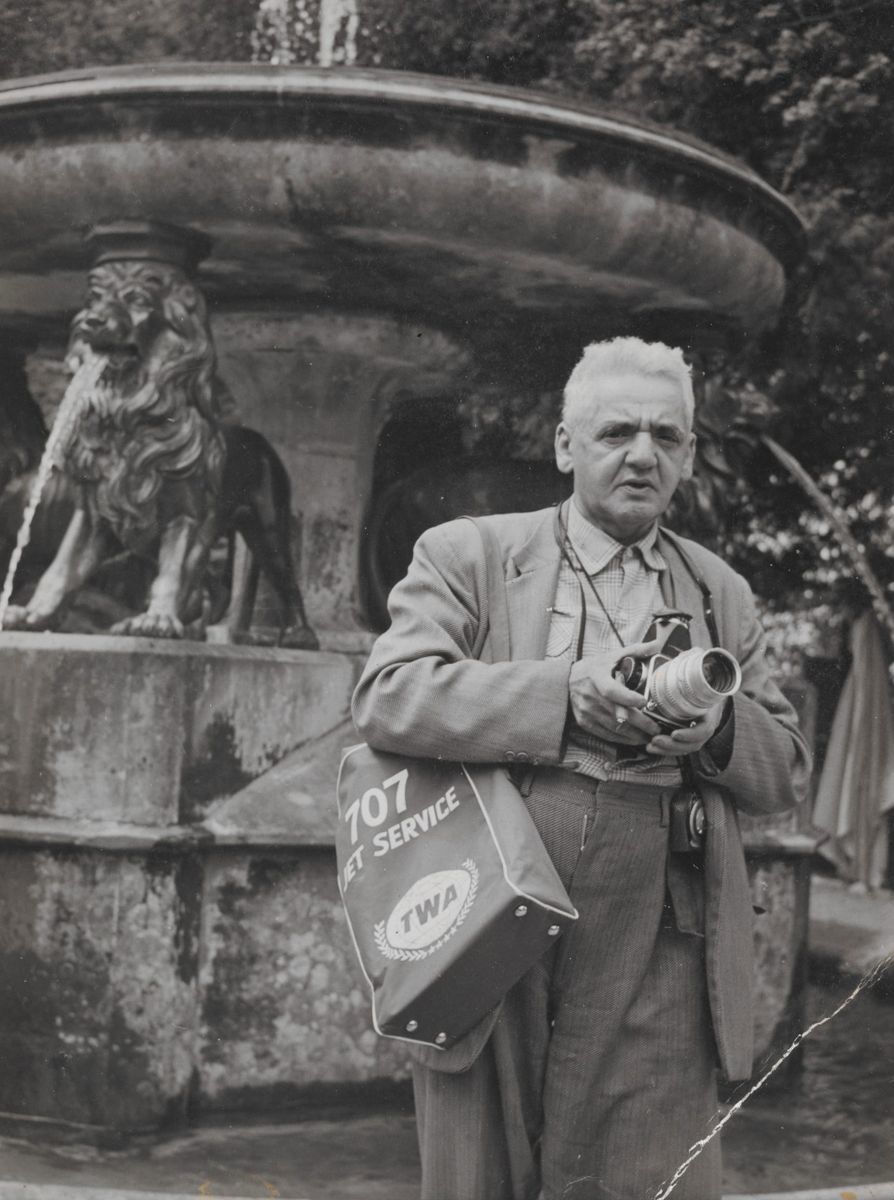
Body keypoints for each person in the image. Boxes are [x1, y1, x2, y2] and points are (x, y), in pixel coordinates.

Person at [352, 337, 810, 1200]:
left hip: (666, 915)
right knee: (482, 1160)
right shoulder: (470, 554)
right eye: (617, 432)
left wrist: (714, 730)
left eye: (666, 437)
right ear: (566, 446)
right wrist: (562, 697)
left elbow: (785, 768)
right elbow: (387, 694)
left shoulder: (722, 591)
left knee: (643, 1163)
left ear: (687, 455)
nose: (643, 454)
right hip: (493, 892)